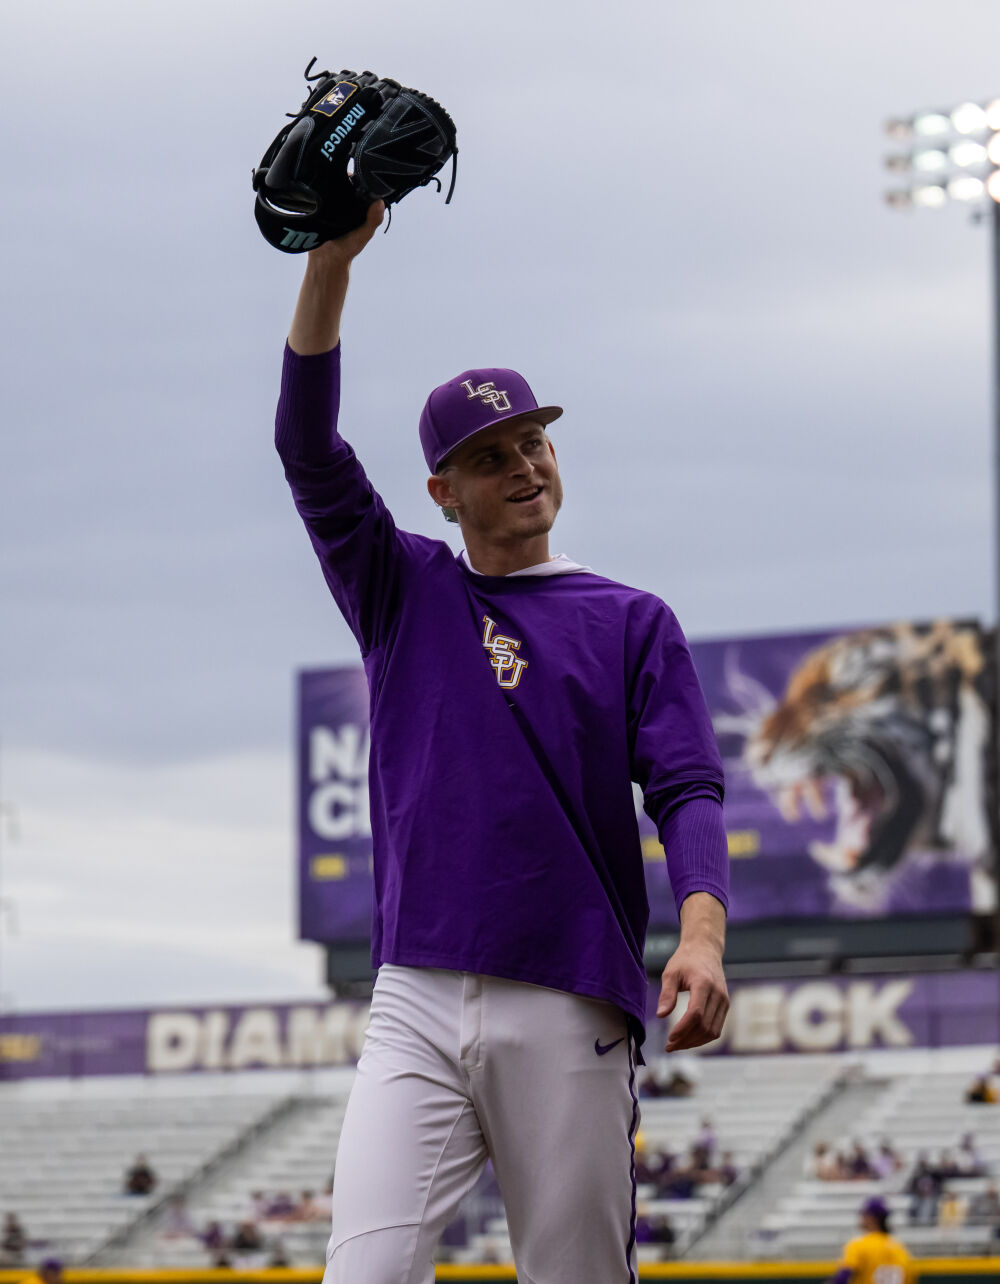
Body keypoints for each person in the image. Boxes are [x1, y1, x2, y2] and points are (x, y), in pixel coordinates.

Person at [276, 201, 730, 1284]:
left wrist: (704, 934)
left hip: (570, 992)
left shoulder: (628, 618)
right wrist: (330, 268)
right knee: (363, 1276)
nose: (522, 464)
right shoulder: (403, 590)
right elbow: (304, 445)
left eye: (533, 440)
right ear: (444, 491)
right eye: (490, 456)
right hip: (417, 992)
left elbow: (688, 787)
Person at [830, 1197, 915, 1284]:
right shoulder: (900, 1249)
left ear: (871, 1217)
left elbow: (843, 1276)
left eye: (863, 1214)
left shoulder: (859, 1245)